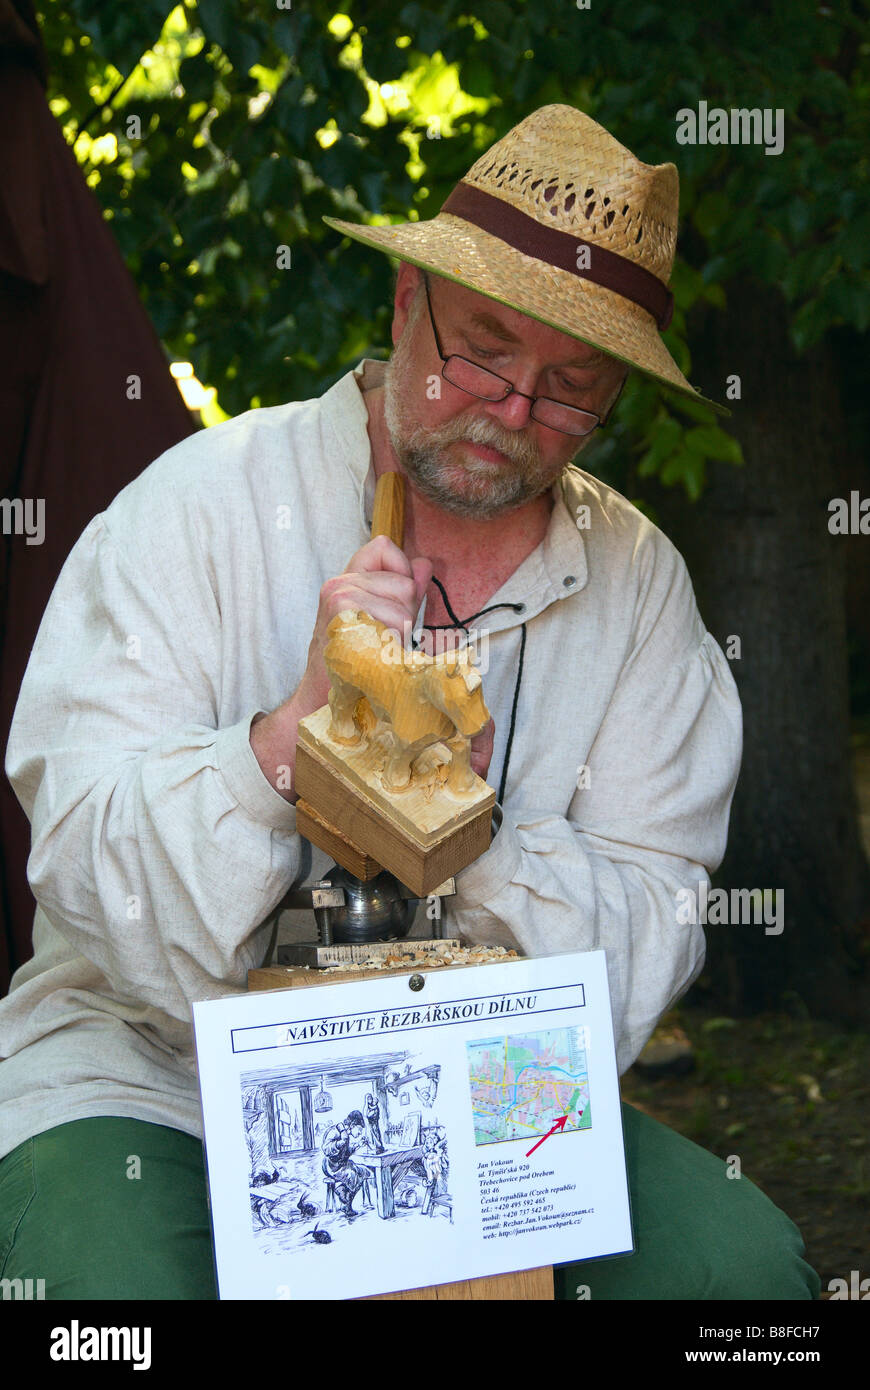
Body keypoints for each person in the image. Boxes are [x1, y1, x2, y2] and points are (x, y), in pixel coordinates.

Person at [0, 105, 818, 1299]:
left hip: (488, 1087)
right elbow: (79, 860)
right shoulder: (198, 507)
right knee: (106, 1295)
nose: (514, 409)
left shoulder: (640, 589)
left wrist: (467, 831)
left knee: (739, 1277)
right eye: (485, 350)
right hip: (159, 1075)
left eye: (570, 387)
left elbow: (648, 939)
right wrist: (288, 747)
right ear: (404, 303)